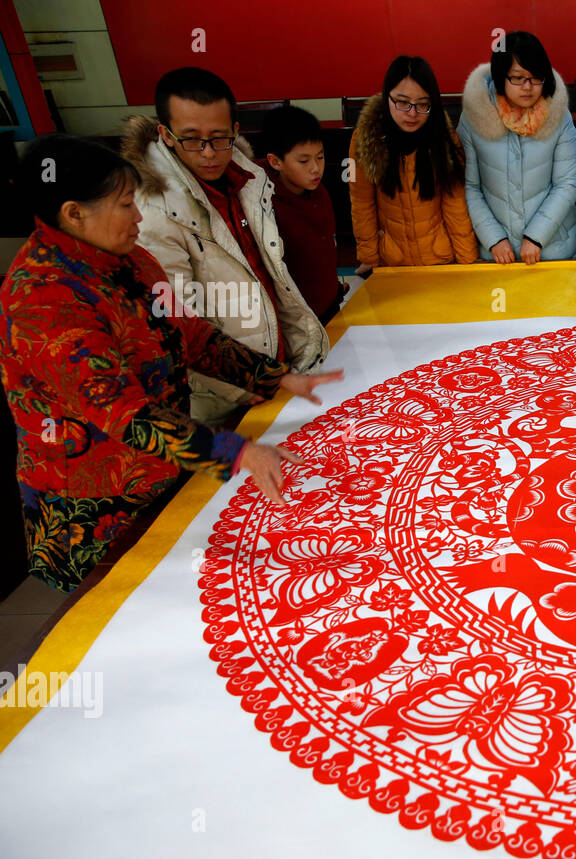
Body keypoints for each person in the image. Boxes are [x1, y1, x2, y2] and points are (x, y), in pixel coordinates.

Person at [0, 135, 343, 592]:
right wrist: (237, 451)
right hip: (93, 496)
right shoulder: (44, 300)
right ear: (74, 212)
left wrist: (277, 377)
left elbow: (190, 333)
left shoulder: (132, 260)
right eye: (126, 205)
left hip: (160, 466)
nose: (139, 217)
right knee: (118, 611)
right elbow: (123, 413)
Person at [120, 67, 331, 427]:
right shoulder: (154, 211)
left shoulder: (251, 179)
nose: (208, 154)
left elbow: (272, 277)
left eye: (219, 138)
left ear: (235, 130)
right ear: (165, 135)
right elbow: (181, 326)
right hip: (223, 399)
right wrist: (250, 384)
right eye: (192, 139)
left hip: (274, 374)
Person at [458, 31, 576, 263]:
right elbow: (469, 187)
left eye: (536, 77)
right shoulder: (474, 117)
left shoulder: (558, 115)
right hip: (495, 255)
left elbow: (567, 182)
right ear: (500, 76)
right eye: (517, 77)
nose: (528, 87)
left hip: (554, 251)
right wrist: (493, 238)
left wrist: (536, 237)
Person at [349, 55, 478, 272]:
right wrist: (369, 256)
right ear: (387, 96)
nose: (412, 113)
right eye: (402, 102)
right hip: (393, 262)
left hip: (440, 259)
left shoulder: (443, 137)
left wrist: (467, 261)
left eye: (422, 105)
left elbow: (455, 203)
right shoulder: (366, 139)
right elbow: (362, 203)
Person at [257, 105, 347, 321]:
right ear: (275, 161)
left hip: (330, 307)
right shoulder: (262, 204)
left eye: (320, 157)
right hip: (297, 322)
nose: (316, 168)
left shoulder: (318, 190)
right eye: (304, 161)